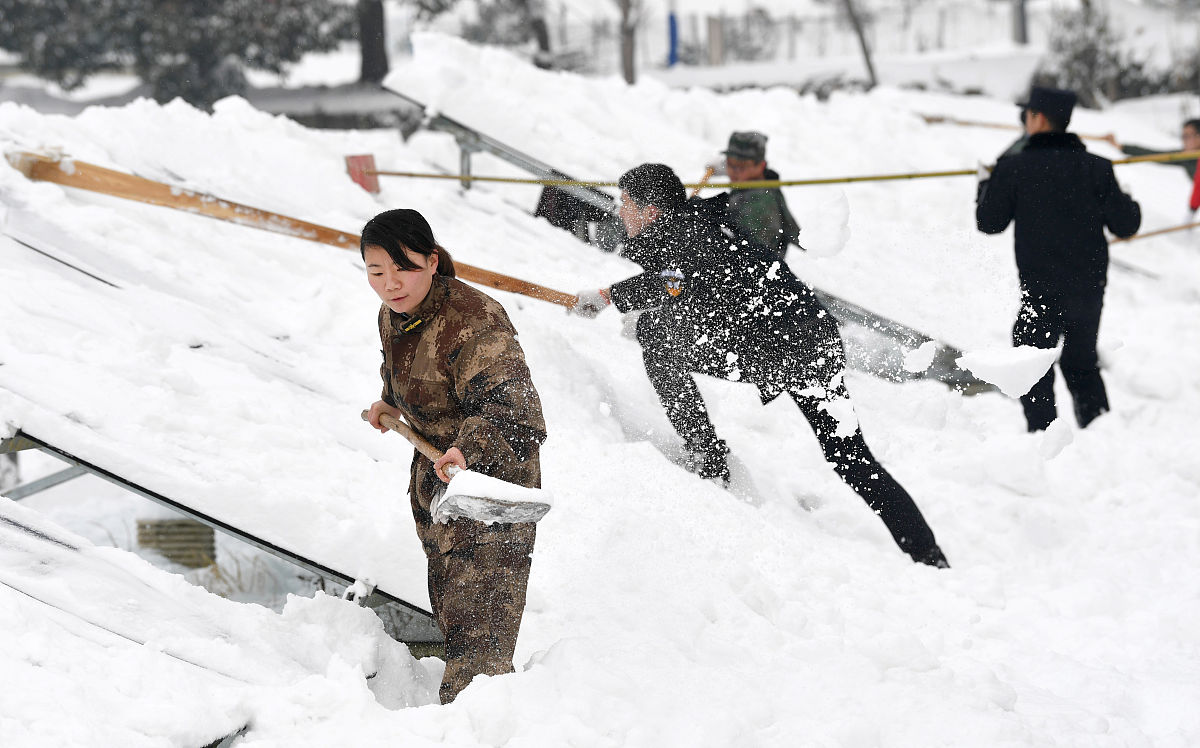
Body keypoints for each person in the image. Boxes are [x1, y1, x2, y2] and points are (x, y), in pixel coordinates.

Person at [572, 164, 949, 568]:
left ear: (650, 211)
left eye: (627, 202)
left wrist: (609, 295)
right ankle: (929, 555)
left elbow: (672, 282)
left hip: (788, 349)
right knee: (851, 459)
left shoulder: (688, 233)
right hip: (805, 343)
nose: (620, 209)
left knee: (658, 337)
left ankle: (707, 458)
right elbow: (683, 283)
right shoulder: (690, 228)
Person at [361, 208, 547, 703]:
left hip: (491, 491)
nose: (390, 284)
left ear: (432, 260)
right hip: (438, 481)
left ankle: (477, 726)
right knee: (451, 612)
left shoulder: (474, 320)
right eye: (376, 272)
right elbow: (406, 370)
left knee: (481, 640)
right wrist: (389, 402)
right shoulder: (392, 314)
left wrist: (468, 449)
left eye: (404, 268)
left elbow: (515, 414)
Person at [976, 87, 1141, 432]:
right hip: (1088, 288)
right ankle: (1101, 434)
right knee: (1081, 363)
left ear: (1036, 118)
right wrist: (1126, 197)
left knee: (1031, 363)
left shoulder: (1013, 168)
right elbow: (1126, 224)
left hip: (1040, 289)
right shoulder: (1097, 167)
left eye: (1026, 115)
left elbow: (989, 223)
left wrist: (985, 186)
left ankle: (1044, 436)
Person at [698, 131, 802, 260]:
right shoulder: (760, 181)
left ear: (761, 165)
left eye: (742, 166)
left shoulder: (759, 204)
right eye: (730, 163)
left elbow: (752, 256)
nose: (734, 172)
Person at [1102, 119, 1200, 221]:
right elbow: (1154, 155)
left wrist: (1192, 209)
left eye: (1188, 136)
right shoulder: (1186, 157)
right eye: (1183, 136)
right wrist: (1120, 147)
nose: (1184, 140)